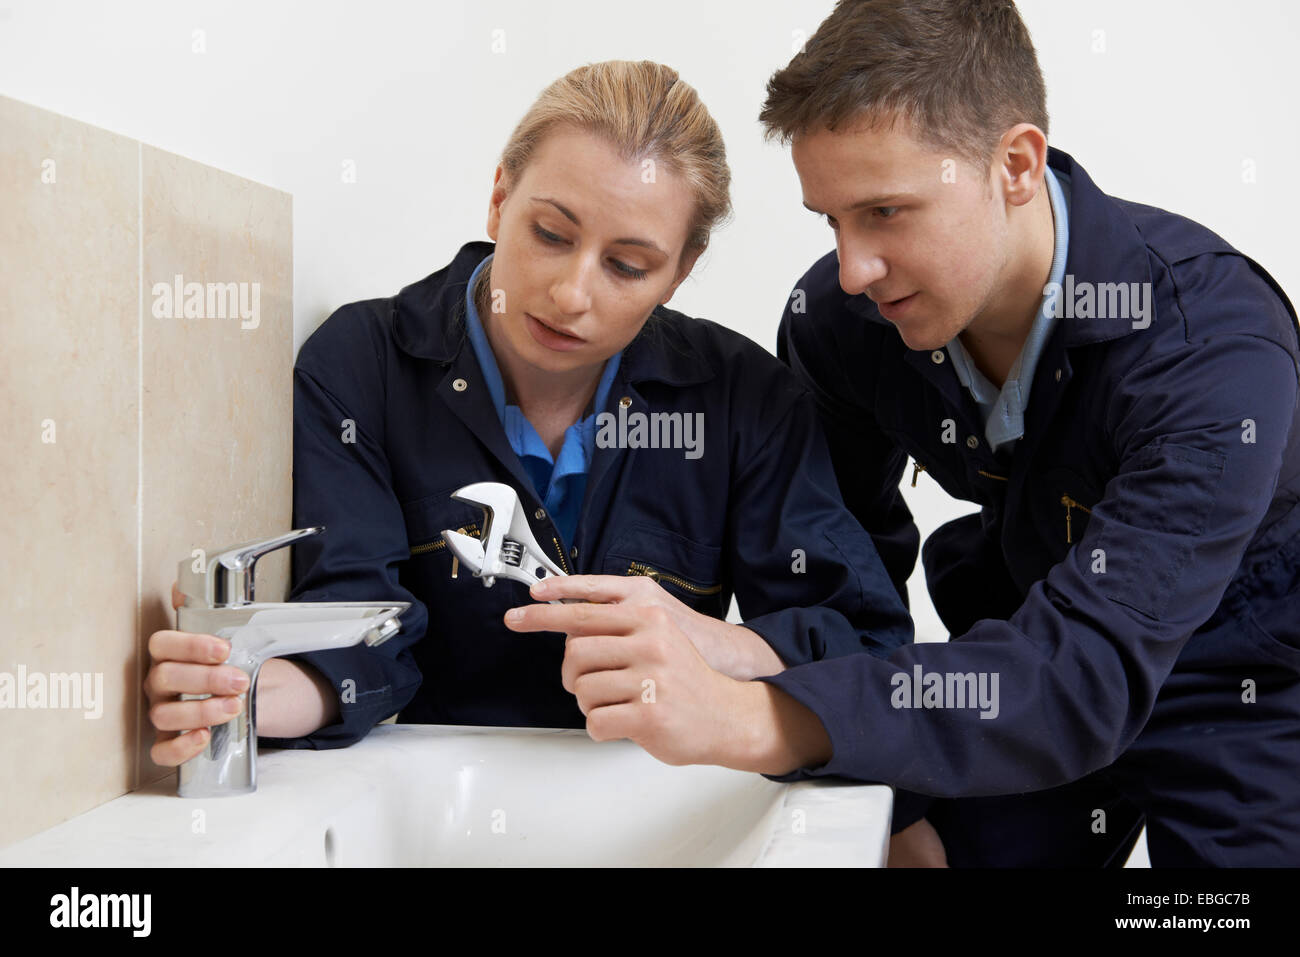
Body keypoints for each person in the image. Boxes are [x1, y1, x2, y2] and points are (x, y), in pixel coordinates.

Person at [510, 2, 1300, 867]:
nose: (853, 268)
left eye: (886, 212)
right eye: (832, 220)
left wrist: (748, 715)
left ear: (1016, 166)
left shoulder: (1211, 348)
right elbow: (836, 582)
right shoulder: (843, 323)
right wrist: (888, 791)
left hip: (1245, 686)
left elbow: (1086, 677)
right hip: (1016, 655)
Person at [143, 61, 912, 774]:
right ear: (500, 198)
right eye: (550, 233)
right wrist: (258, 691)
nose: (571, 294)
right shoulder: (360, 367)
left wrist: (716, 643)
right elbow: (358, 629)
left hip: (654, 804)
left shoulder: (747, 398)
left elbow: (865, 640)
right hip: (436, 803)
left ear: (680, 271)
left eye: (627, 265)